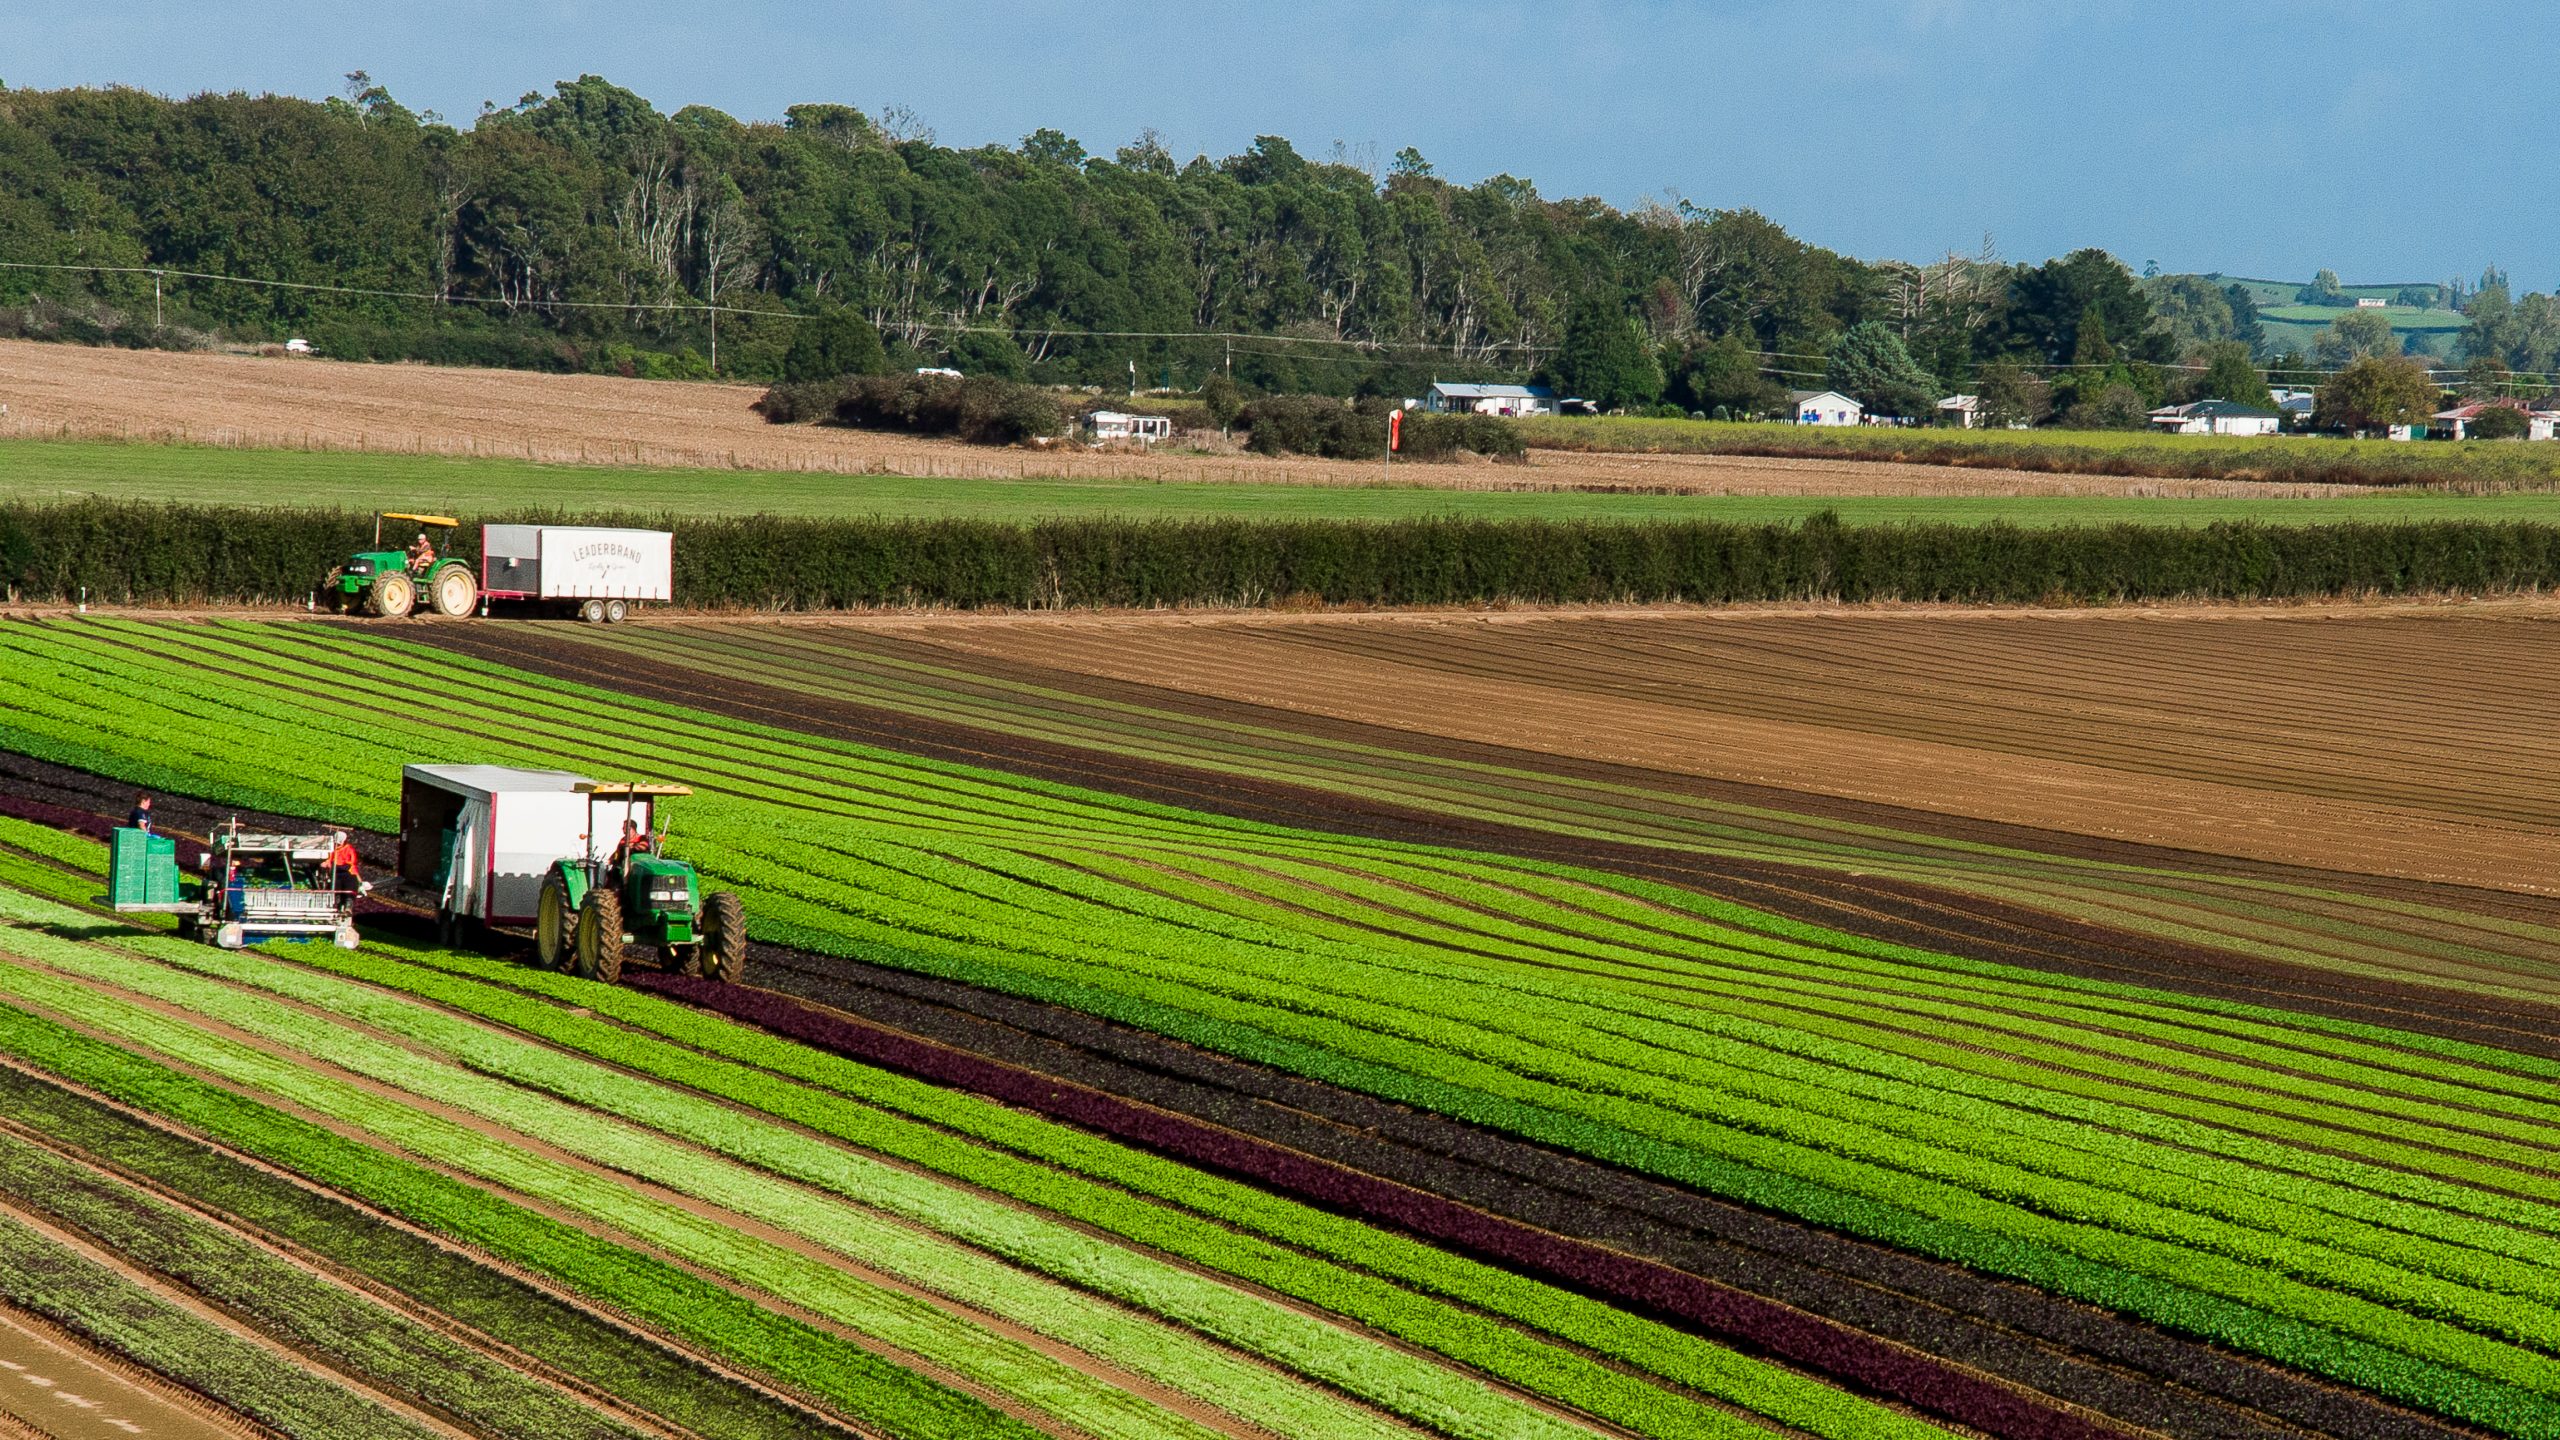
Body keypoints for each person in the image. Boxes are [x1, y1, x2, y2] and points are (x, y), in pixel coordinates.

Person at [325, 830, 367, 903]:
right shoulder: (331, 849)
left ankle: (348, 902)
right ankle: (336, 899)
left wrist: (359, 881)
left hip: (346, 871)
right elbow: (327, 861)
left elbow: (352, 864)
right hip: (333, 872)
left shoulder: (349, 849)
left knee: (351, 882)